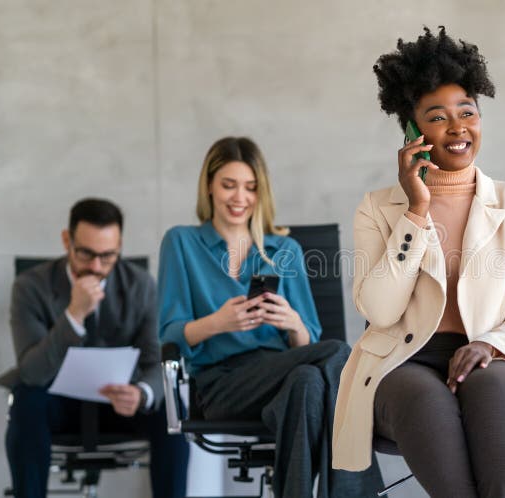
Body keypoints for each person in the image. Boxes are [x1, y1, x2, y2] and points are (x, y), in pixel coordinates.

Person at [332, 27, 505, 498]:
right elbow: (380, 313)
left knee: (496, 388)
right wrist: (415, 211)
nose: (458, 127)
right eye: (437, 117)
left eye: (467, 112)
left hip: (489, 355)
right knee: (423, 400)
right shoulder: (377, 208)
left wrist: (489, 345)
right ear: (412, 129)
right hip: (402, 364)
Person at [157, 136, 382, 498]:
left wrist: (292, 322)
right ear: (210, 187)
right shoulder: (181, 243)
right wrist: (218, 322)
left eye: (250, 187)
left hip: (284, 374)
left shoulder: (284, 249)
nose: (239, 198)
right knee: (339, 353)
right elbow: (169, 334)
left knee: (310, 381)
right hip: (222, 384)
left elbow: (307, 340)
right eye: (228, 185)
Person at [0, 198, 189, 498]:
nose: (96, 267)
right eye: (86, 254)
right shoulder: (30, 287)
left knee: (170, 408)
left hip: (121, 404)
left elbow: (157, 361)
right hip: (56, 403)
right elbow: (32, 371)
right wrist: (73, 315)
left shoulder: (141, 285)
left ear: (119, 246)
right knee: (26, 400)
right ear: (67, 241)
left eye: (108, 256)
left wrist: (142, 393)